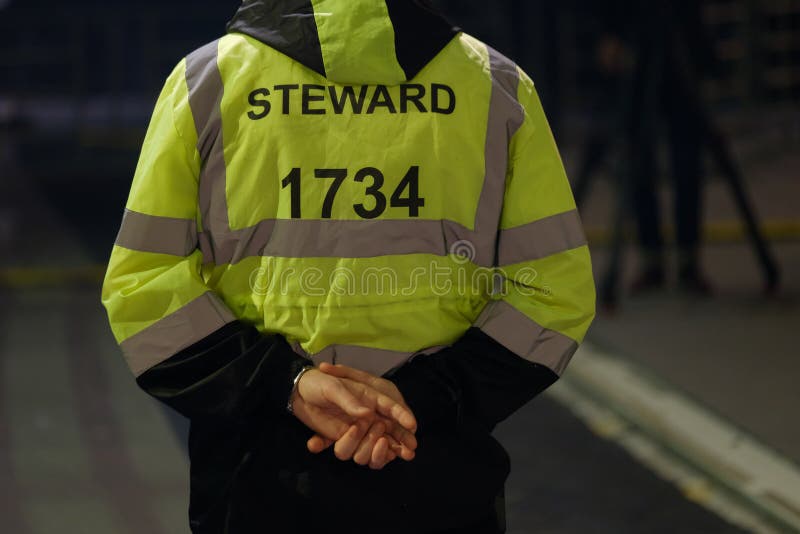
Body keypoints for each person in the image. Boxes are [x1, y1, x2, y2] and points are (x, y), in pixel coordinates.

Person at [101, 1, 596, 532]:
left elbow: (144, 291)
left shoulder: (208, 81)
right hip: (437, 472)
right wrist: (422, 397)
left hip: (258, 478)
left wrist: (289, 385)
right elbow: (553, 293)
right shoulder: (496, 86)